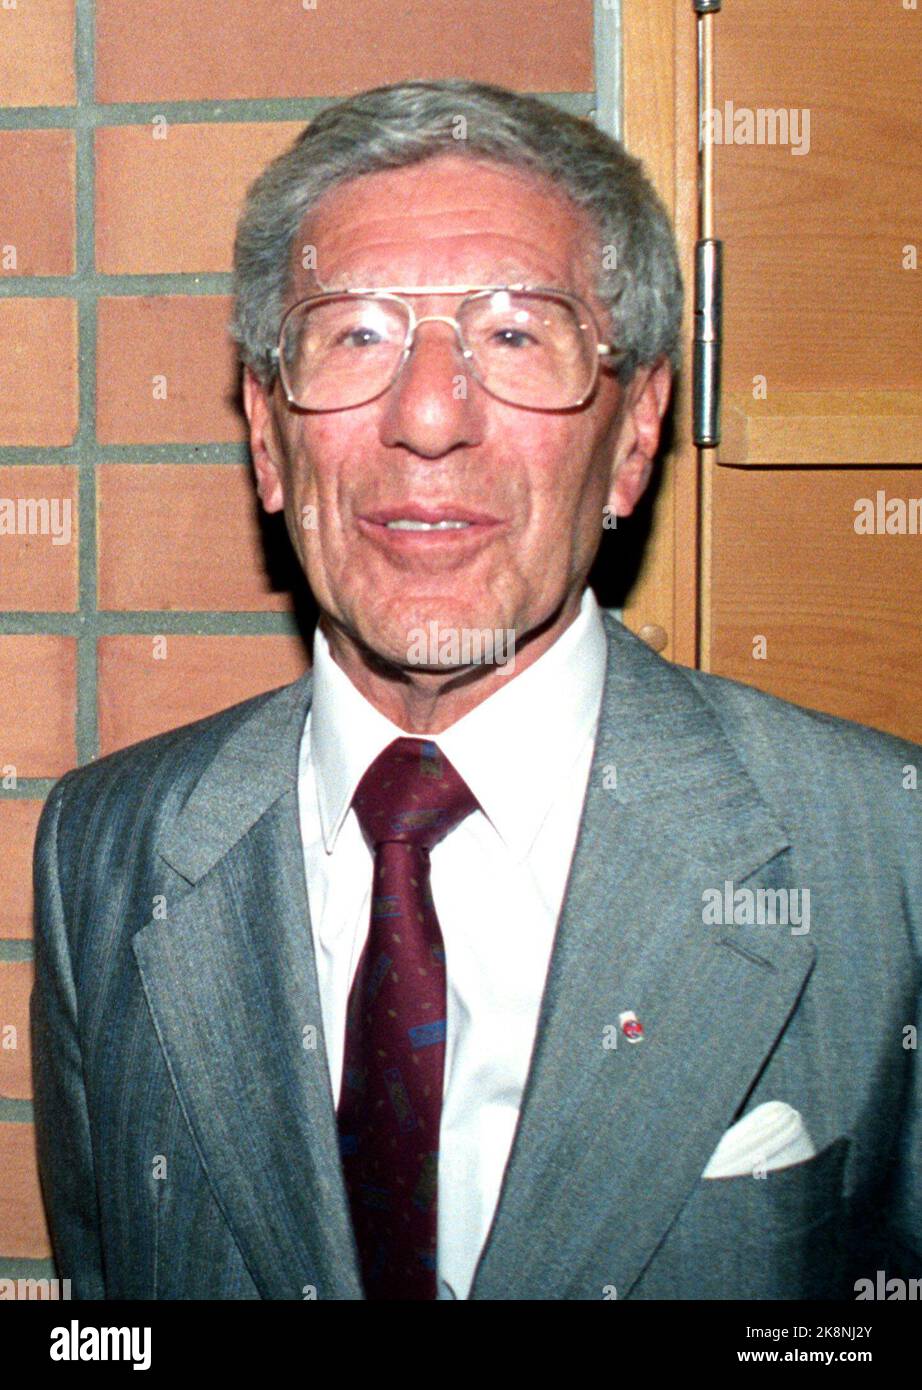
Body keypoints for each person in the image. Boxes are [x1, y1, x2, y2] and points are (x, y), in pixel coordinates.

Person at [31, 80, 920, 1301]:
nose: (430, 417)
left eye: (513, 333)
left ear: (636, 428)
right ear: (263, 435)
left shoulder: (884, 852)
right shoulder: (106, 849)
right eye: (356, 335)